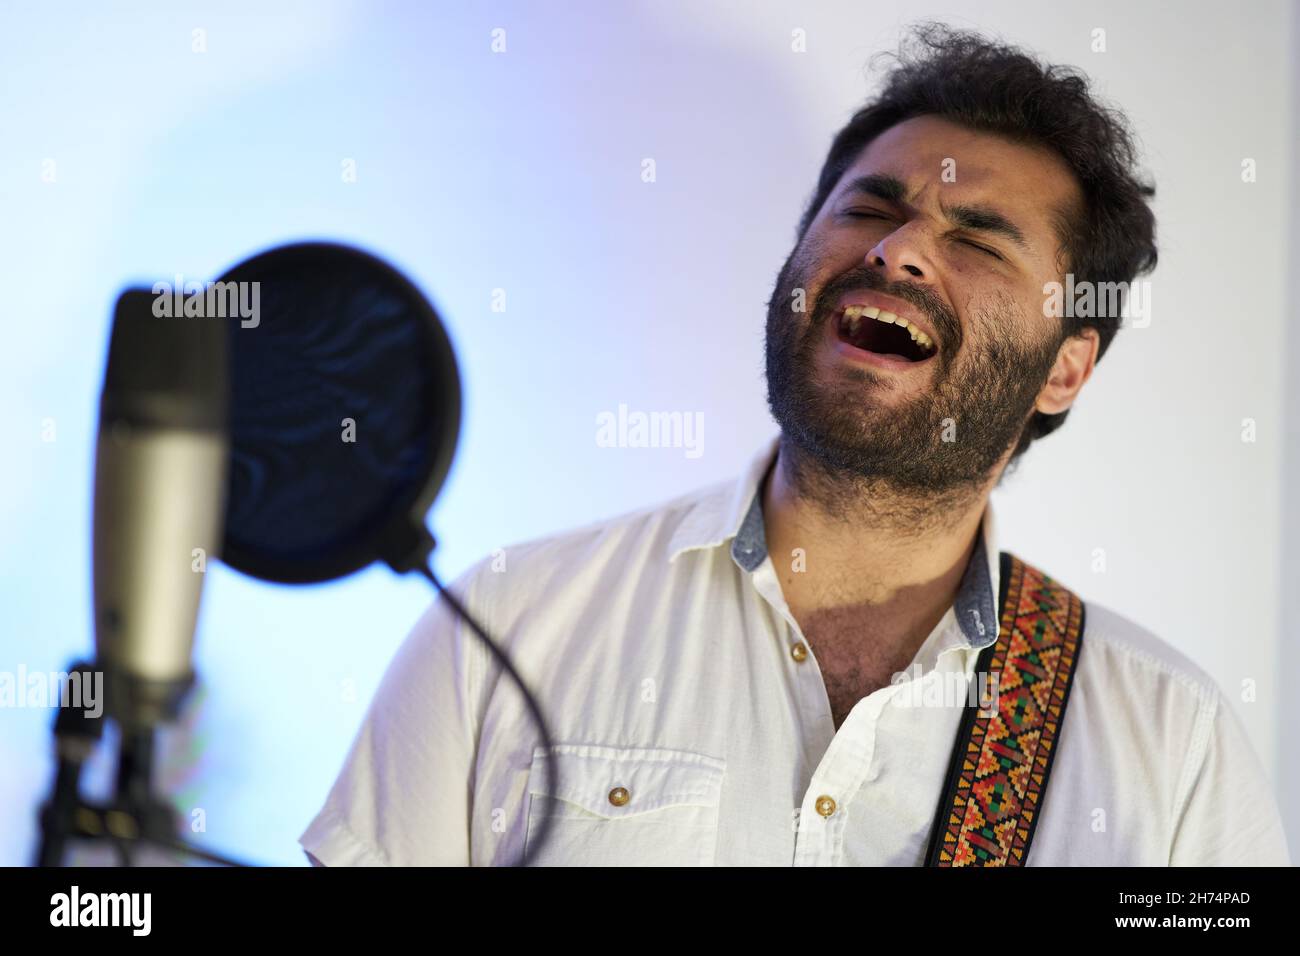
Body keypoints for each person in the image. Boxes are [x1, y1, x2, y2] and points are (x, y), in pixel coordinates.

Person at [300, 22, 1290, 866]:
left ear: (1063, 367)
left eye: (979, 239)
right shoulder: (506, 625)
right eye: (867, 206)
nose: (897, 248)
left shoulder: (1172, 741)